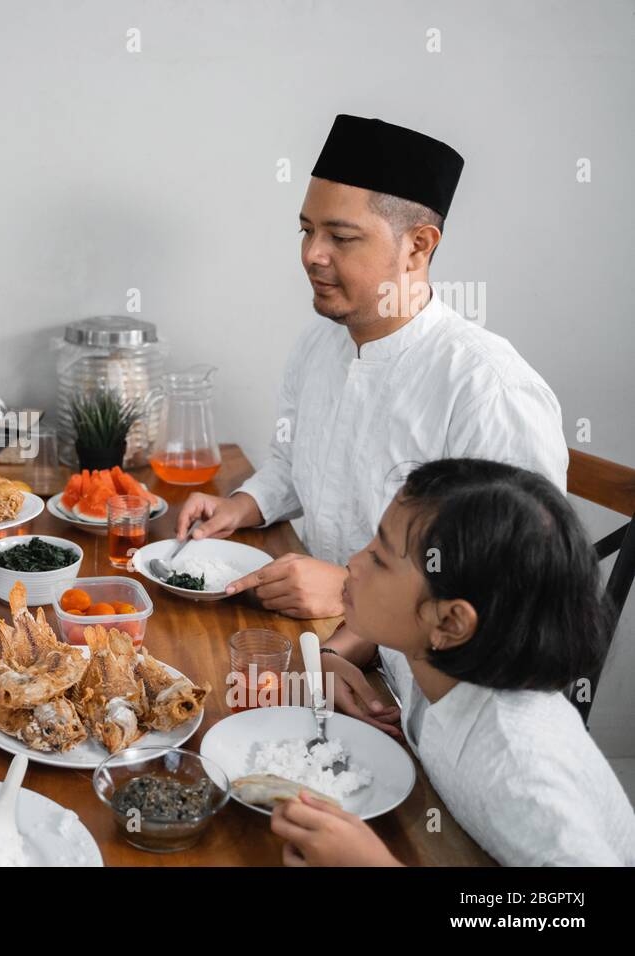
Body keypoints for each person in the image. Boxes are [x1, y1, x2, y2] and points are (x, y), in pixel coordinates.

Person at [175, 115, 567, 638]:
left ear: (418, 247)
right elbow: (296, 463)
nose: (312, 254)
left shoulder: (487, 388)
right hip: (325, 640)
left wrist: (346, 590)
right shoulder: (320, 343)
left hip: (424, 683)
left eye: (340, 236)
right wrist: (244, 504)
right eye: (307, 230)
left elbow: (521, 591)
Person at [270, 458, 634, 866]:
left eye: (379, 557)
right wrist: (330, 655)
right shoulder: (433, 654)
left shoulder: (520, 771)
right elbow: (377, 643)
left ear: (450, 621)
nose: (353, 562)